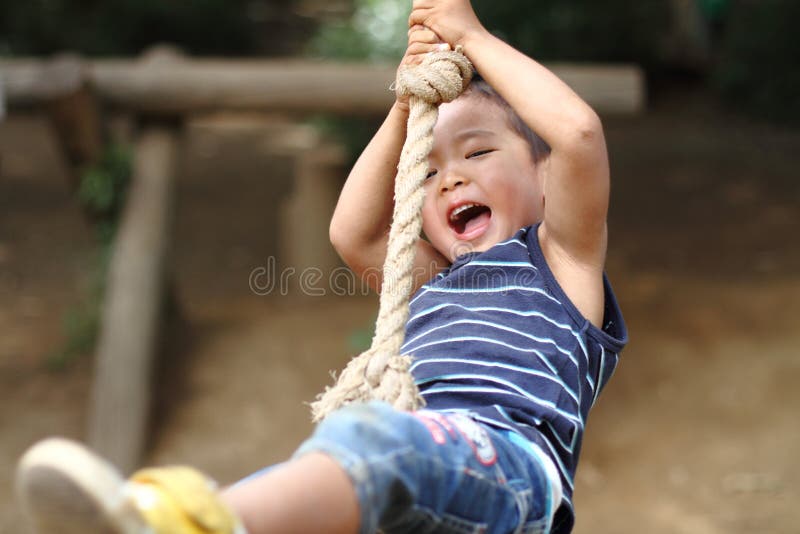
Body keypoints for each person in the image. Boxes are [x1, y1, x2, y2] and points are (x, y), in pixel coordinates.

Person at [16, 1, 626, 533]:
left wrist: (472, 40)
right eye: (430, 171)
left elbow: (577, 134)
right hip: (429, 474)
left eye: (479, 151)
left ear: (545, 176)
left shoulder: (558, 261)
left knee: (368, 445)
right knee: (313, 475)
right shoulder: (435, 281)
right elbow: (353, 233)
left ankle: (190, 522)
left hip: (509, 472)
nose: (451, 179)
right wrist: (408, 101)